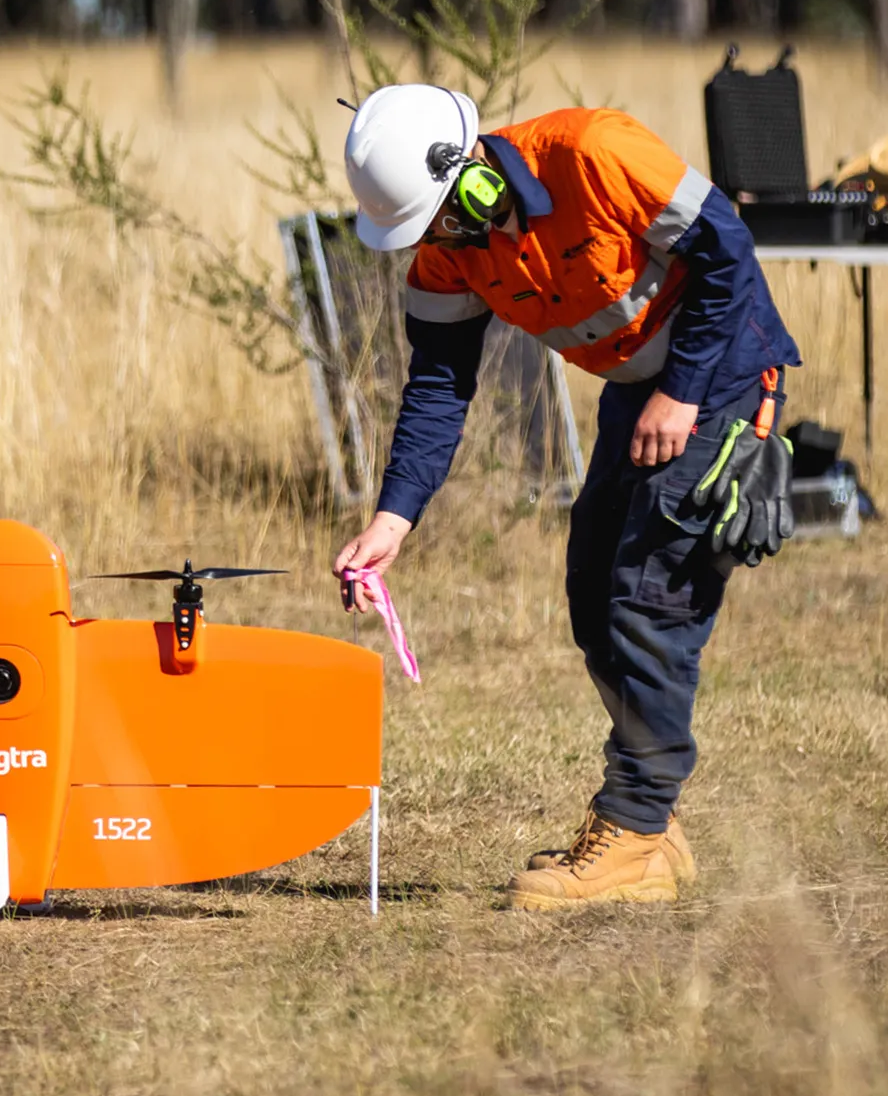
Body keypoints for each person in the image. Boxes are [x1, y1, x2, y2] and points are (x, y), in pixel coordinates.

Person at [332, 86, 800, 910]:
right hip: (636, 387)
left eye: (444, 217)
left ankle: (633, 828)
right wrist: (392, 517)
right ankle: (651, 825)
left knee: (647, 600)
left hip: (718, 372)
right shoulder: (447, 256)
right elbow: (439, 387)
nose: (441, 242)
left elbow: (728, 250)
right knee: (593, 594)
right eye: (422, 232)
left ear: (473, 170)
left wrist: (683, 392)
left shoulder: (598, 153)